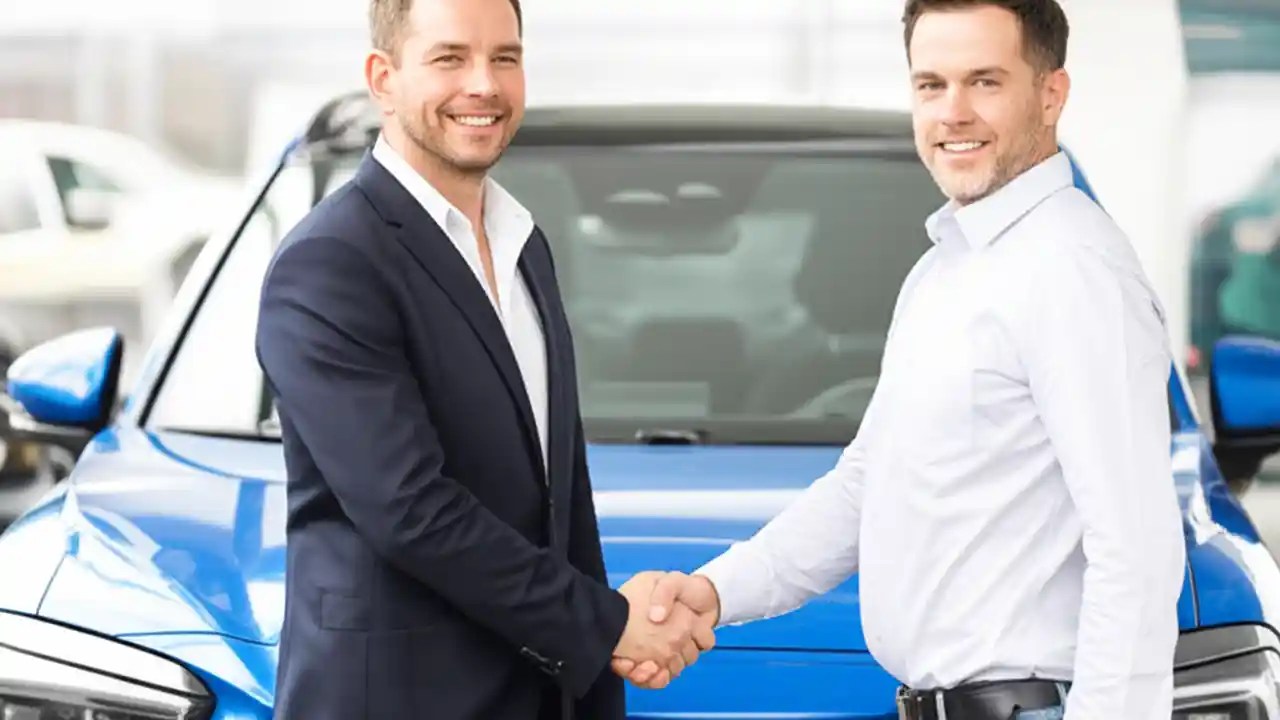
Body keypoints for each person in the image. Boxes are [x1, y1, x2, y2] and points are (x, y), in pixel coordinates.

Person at [615, 1, 1185, 719]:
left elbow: (1134, 542)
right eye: (930, 85)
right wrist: (716, 591)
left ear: (1051, 95)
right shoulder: (946, 270)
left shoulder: (1071, 270)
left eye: (984, 82)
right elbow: (863, 487)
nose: (953, 113)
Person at [255, 0, 713, 717]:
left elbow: (562, 498)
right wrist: (607, 625)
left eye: (506, 57)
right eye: (449, 58)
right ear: (384, 77)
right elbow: (410, 509)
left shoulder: (522, 244)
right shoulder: (332, 262)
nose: (485, 85)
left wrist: (599, 672)